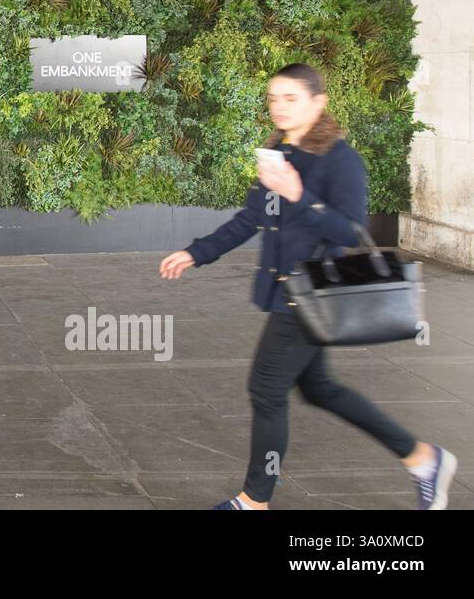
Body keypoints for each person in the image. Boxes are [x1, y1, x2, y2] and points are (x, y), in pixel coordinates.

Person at [158, 64, 457, 510]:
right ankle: (424, 458)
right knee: (319, 388)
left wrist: (301, 196)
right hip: (287, 292)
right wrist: (197, 252)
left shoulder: (340, 160)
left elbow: (351, 231)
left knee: (266, 390)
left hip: (311, 293)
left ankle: (254, 500)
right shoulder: (279, 153)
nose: (278, 106)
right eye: (273, 98)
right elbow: (250, 219)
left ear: (318, 103)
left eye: (290, 98)